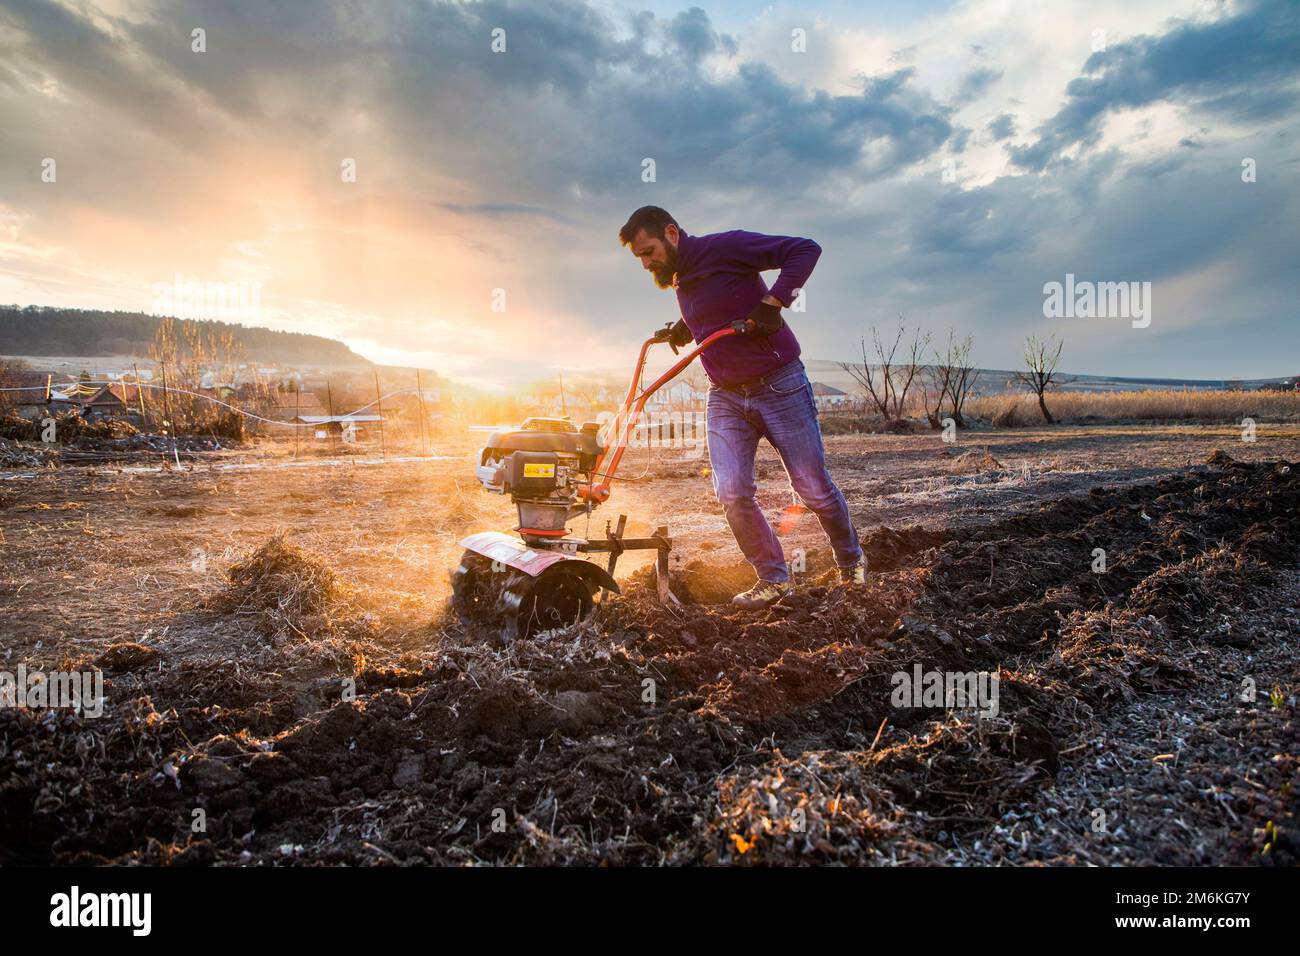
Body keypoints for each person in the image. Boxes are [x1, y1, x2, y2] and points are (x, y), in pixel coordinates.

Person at [618, 205, 864, 609]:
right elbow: (717, 302)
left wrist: (773, 302)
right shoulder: (681, 276)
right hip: (726, 395)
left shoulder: (726, 247)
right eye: (640, 257)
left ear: (671, 233)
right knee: (732, 491)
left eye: (649, 251)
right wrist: (687, 325)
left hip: (779, 384)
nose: (646, 263)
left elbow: (805, 249)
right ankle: (773, 578)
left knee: (812, 489)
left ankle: (851, 561)